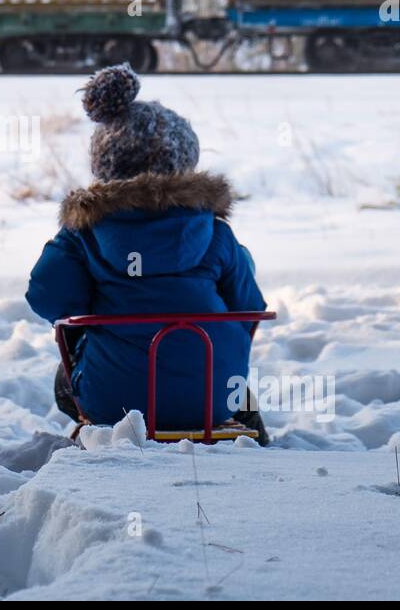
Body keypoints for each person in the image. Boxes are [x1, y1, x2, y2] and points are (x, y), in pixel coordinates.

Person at [25, 64, 269, 442]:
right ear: (186, 164)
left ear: (105, 165)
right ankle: (258, 442)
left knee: (66, 376)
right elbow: (249, 306)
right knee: (236, 388)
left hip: (114, 402)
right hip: (213, 400)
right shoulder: (216, 234)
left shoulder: (84, 235)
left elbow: (48, 299)